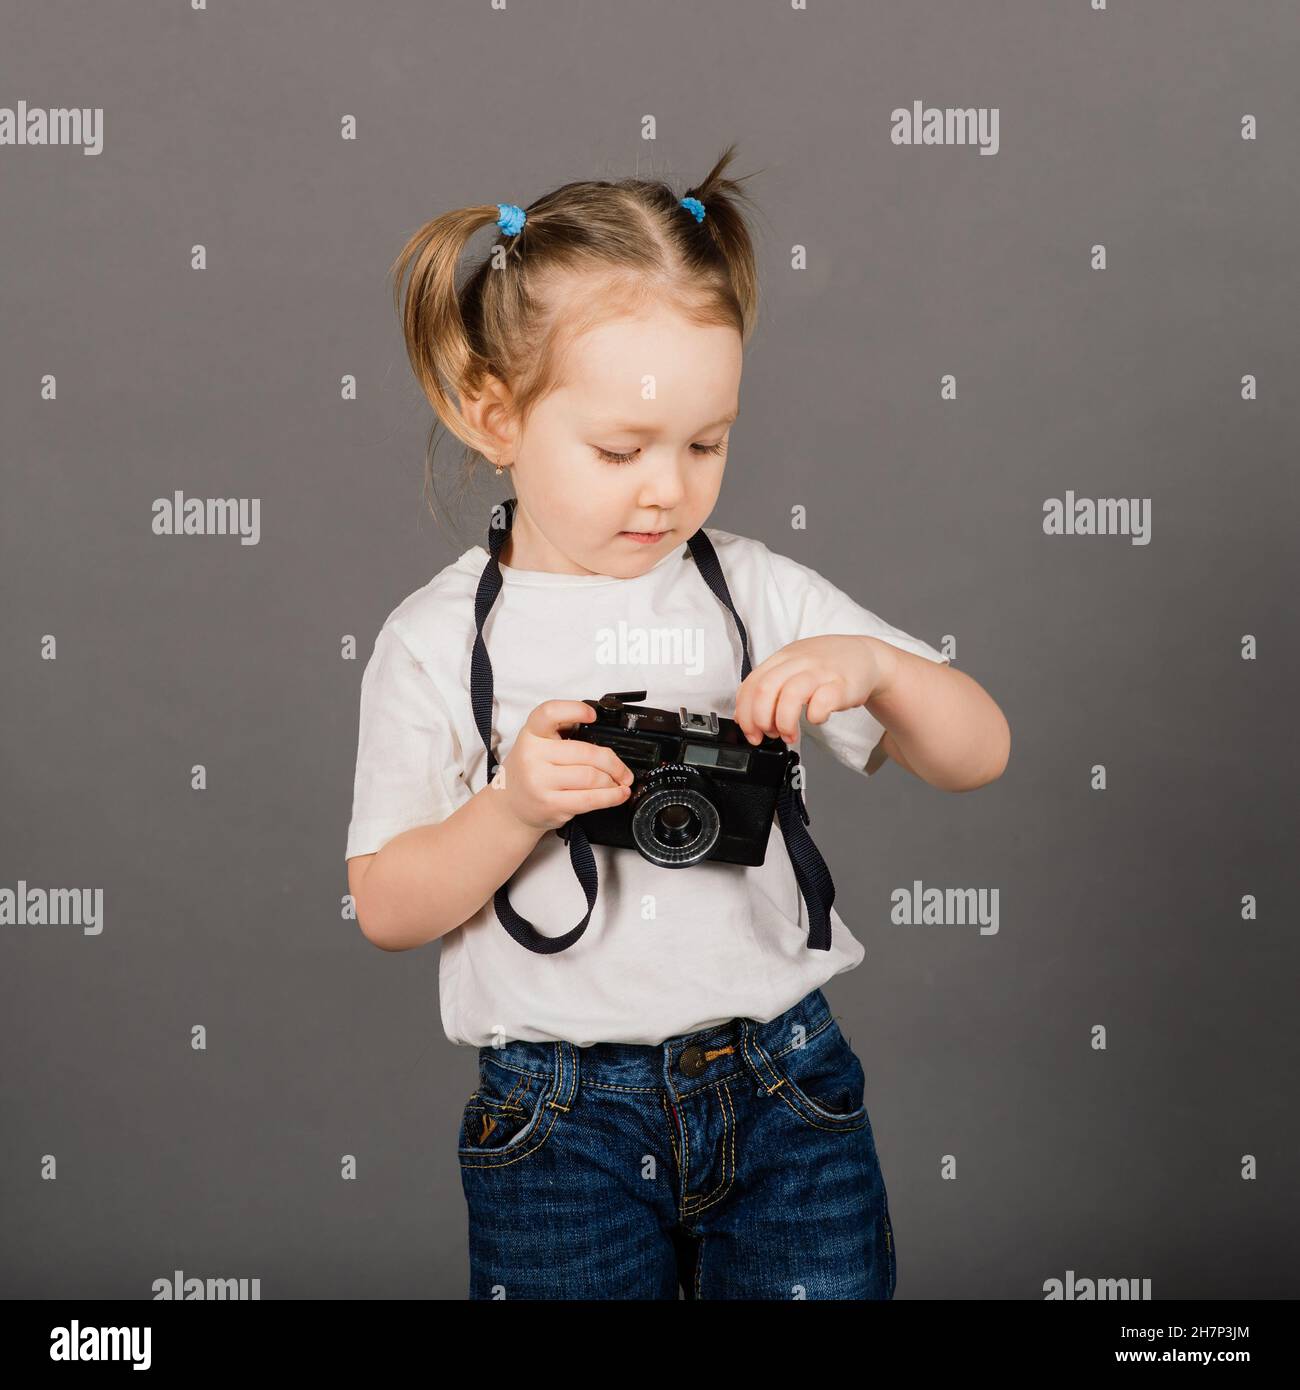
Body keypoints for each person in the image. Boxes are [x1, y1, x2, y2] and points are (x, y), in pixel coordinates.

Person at [345, 145, 1010, 1299]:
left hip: (785, 1084)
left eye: (706, 443)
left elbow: (978, 753)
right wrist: (514, 806)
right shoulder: (437, 639)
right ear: (491, 413)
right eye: (620, 449)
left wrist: (873, 669)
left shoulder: (751, 592)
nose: (667, 488)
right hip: (557, 1119)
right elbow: (387, 908)